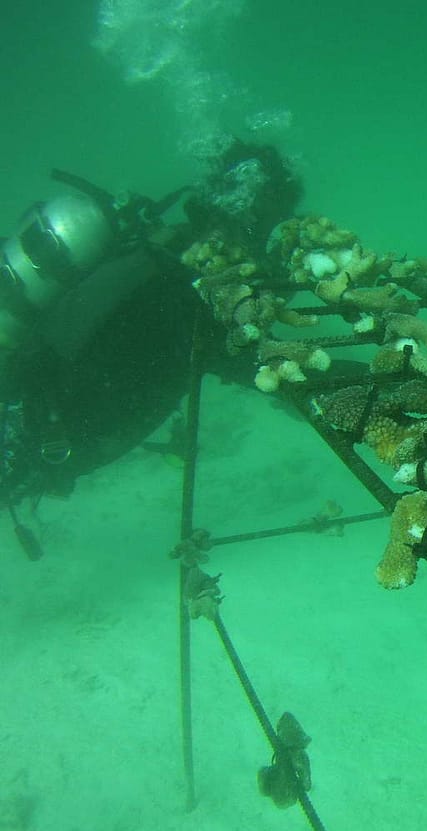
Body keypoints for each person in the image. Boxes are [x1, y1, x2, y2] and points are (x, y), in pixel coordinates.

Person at [0, 142, 302, 556]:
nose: (280, 230)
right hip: (34, 435)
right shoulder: (193, 288)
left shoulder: (150, 250)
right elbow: (279, 375)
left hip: (31, 415)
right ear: (256, 214)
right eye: (278, 216)